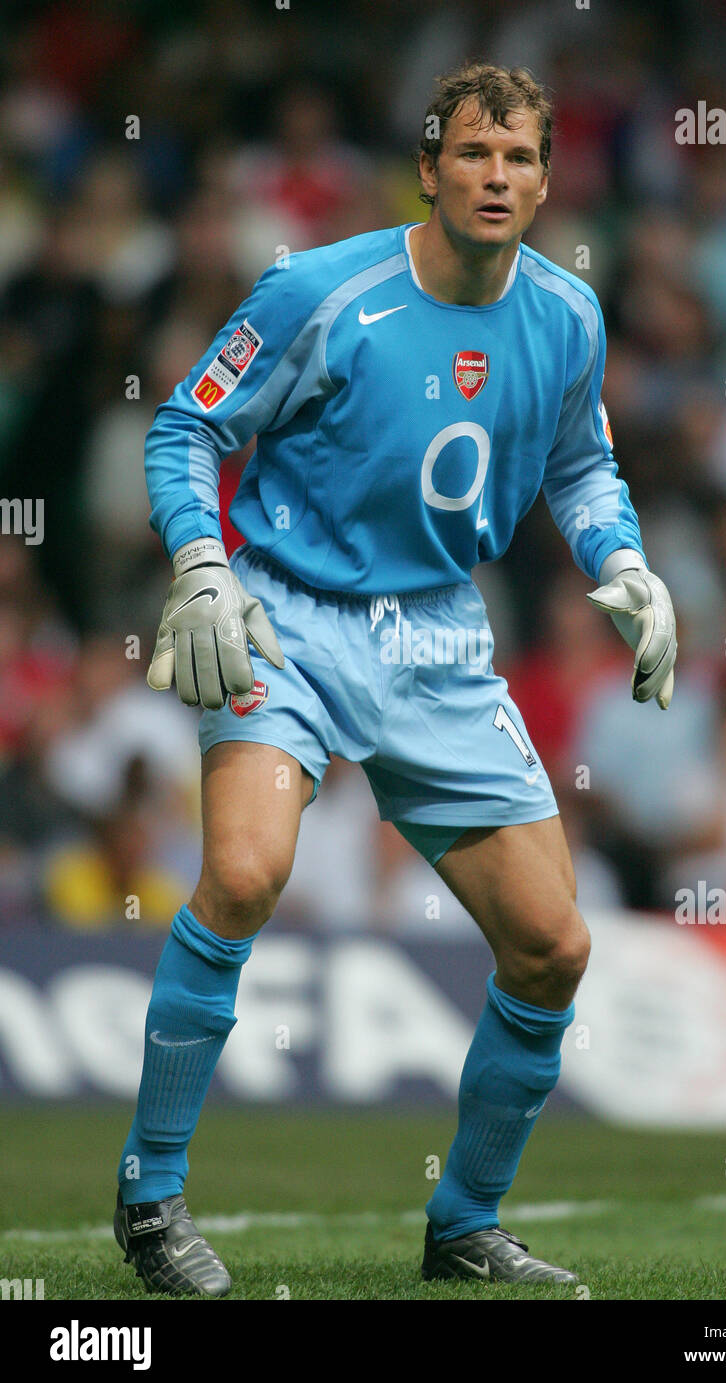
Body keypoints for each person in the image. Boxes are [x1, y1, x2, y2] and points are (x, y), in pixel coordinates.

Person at [114, 62, 677, 1295]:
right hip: (288, 620)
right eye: (474, 154)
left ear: (543, 181)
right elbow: (186, 428)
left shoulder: (567, 317)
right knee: (247, 871)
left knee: (551, 947)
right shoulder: (320, 289)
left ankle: (462, 1226)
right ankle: (151, 1198)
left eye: (520, 159)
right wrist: (203, 566)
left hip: (436, 637)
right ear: (429, 169)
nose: (496, 177)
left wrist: (624, 562)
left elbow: (581, 469)